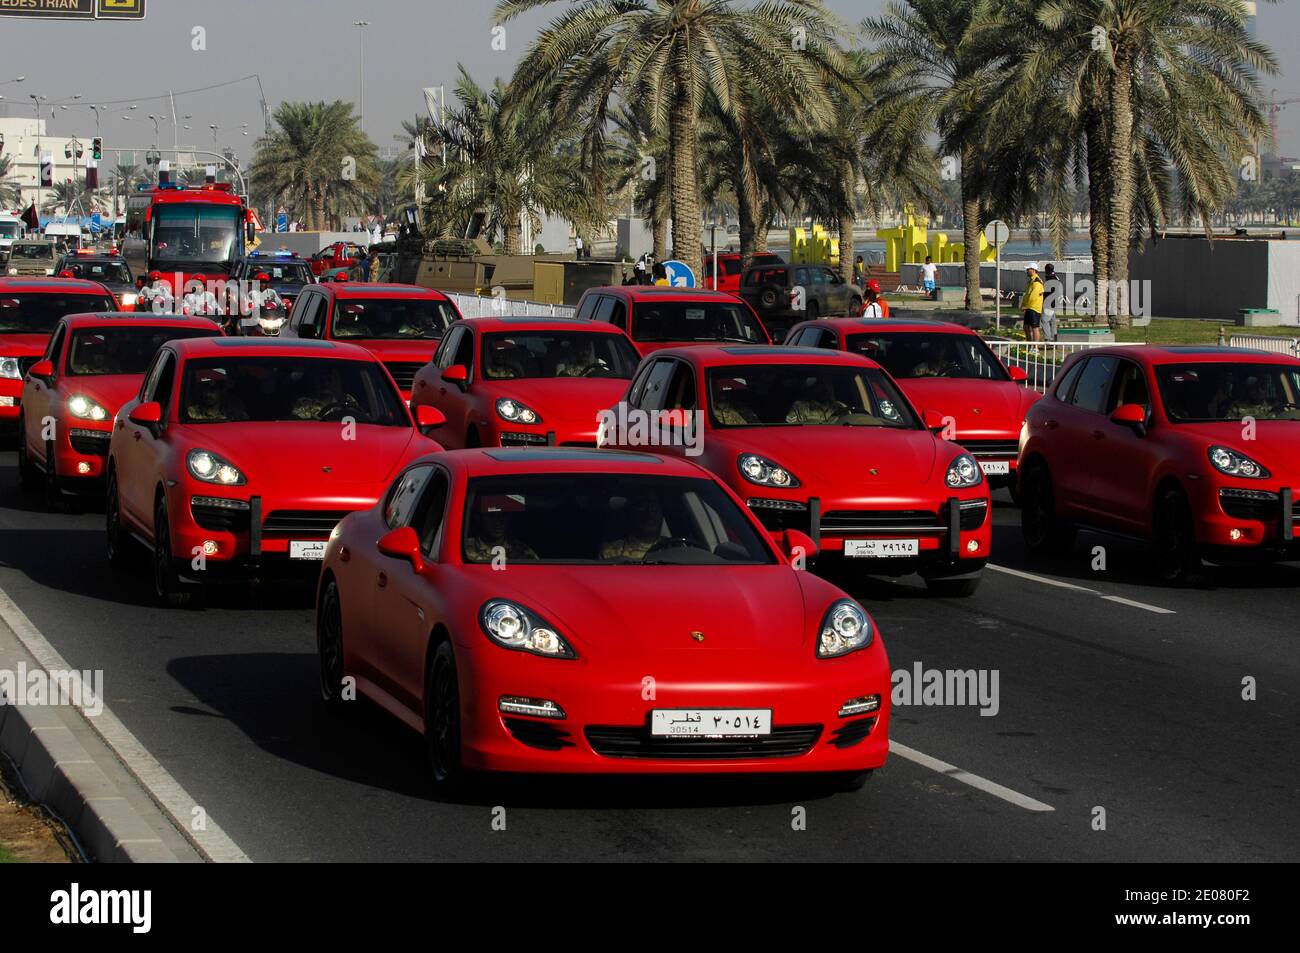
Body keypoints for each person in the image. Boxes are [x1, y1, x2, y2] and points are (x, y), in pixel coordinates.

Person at [600, 496, 667, 561]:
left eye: (654, 509)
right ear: (630, 514)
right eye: (642, 508)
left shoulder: (673, 547)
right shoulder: (611, 553)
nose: (650, 514)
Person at [465, 504, 538, 562]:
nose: (498, 522)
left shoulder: (522, 550)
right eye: (491, 516)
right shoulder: (464, 549)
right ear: (479, 518)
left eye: (503, 515)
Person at [1019, 263, 1045, 342]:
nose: (1026, 271)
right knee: (1026, 327)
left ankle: (1035, 347)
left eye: (1028, 269)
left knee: (1035, 327)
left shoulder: (1037, 282)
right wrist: (1023, 304)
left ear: (1033, 270)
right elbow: (1027, 294)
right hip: (1029, 307)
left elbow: (1033, 296)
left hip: (1034, 308)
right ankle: (1029, 345)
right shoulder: (1032, 281)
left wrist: (1026, 306)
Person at [1041, 264, 1063, 342]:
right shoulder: (1055, 277)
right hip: (1054, 302)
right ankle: (1054, 337)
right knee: (1052, 320)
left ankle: (1048, 339)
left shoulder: (1051, 279)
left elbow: (1049, 292)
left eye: (1045, 269)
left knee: (1045, 320)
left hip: (1049, 302)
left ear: (1047, 270)